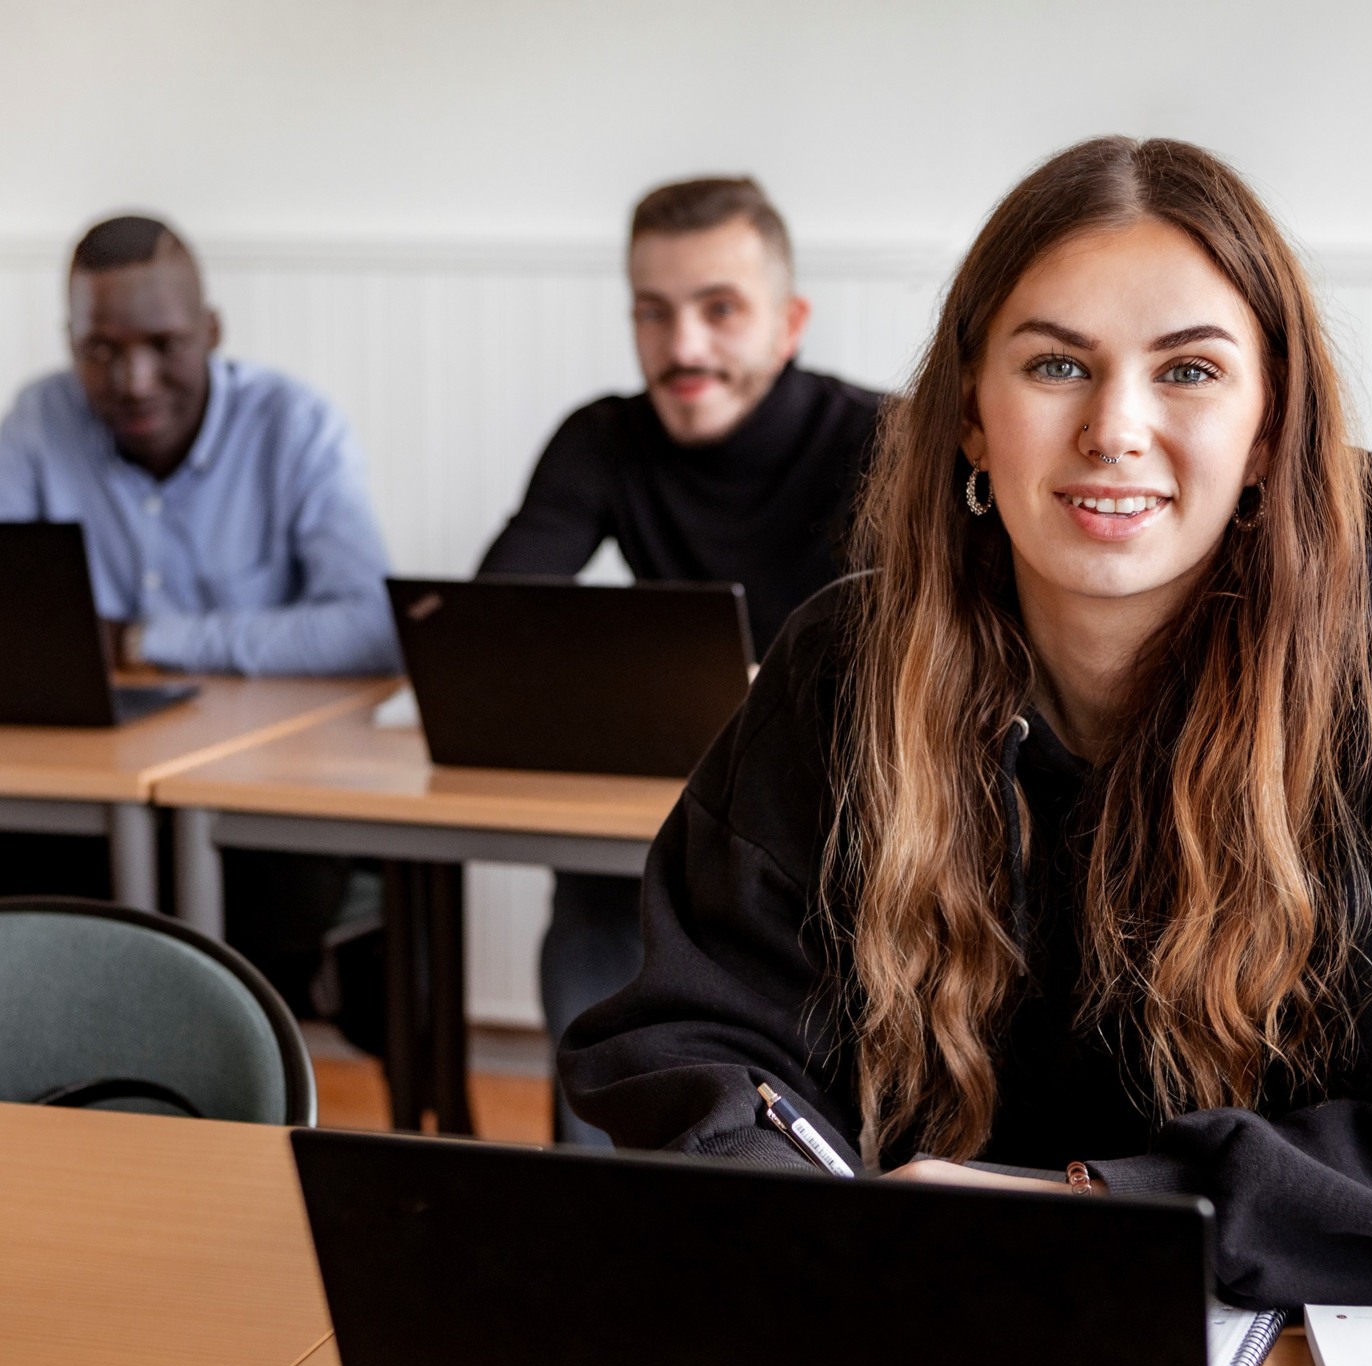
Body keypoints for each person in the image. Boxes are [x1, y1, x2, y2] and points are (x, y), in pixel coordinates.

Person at [559, 137, 1372, 1310]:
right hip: (892, 1328)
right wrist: (792, 1212)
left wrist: (1105, 1213)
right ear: (967, 414)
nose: (1114, 427)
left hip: (1267, 1354)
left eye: (1191, 372)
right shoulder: (843, 663)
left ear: (1267, 430)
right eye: (1057, 366)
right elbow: (695, 1034)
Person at [478, 177, 882, 1143]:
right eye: (654, 315)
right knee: (595, 895)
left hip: (840, 816)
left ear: (788, 323)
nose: (684, 348)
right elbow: (497, 619)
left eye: (720, 311)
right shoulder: (603, 436)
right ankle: (593, 1190)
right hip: (667, 806)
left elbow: (931, 656)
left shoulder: (885, 439)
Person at [0, 214, 400, 1011]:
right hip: (84, 803)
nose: (133, 379)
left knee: (240, 935)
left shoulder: (295, 427)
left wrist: (148, 639)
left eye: (163, 345)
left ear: (211, 330)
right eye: (100, 351)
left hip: (262, 803)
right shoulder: (39, 422)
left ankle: (211, 1105)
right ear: (70, 341)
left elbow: (373, 626)